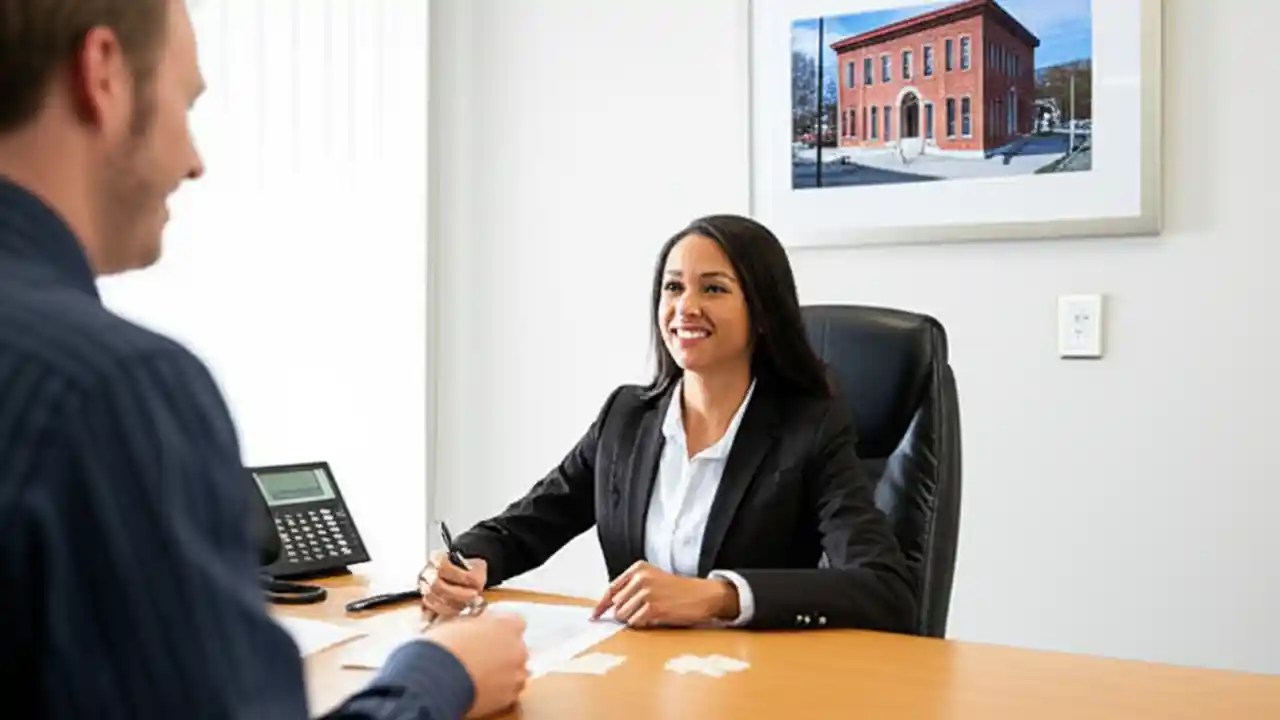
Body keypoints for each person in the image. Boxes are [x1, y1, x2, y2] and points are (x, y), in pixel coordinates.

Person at [0, 1, 528, 717]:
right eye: (184, 104)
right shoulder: (112, 392)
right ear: (104, 75)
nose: (195, 161)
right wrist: (436, 674)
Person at [419, 214, 917, 631]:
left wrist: (719, 596)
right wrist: (466, 562)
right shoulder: (626, 418)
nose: (686, 307)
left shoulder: (809, 428)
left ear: (763, 312)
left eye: (714, 288)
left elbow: (883, 585)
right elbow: (529, 524)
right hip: (636, 677)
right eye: (673, 287)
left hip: (752, 685)